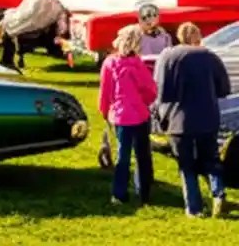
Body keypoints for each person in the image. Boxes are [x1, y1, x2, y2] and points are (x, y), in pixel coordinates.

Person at [155, 21, 231, 218]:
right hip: (207, 117)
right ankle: (218, 193)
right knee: (211, 160)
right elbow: (224, 89)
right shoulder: (210, 57)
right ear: (198, 35)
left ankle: (195, 208)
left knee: (186, 165)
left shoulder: (168, 56)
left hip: (178, 120)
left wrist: (160, 116)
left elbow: (162, 91)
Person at [98, 25, 158, 206]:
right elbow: (151, 90)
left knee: (122, 156)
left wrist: (104, 110)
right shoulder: (138, 64)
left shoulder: (110, 63)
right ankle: (145, 192)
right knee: (143, 155)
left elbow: (105, 91)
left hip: (121, 115)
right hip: (139, 113)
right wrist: (145, 102)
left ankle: (119, 193)